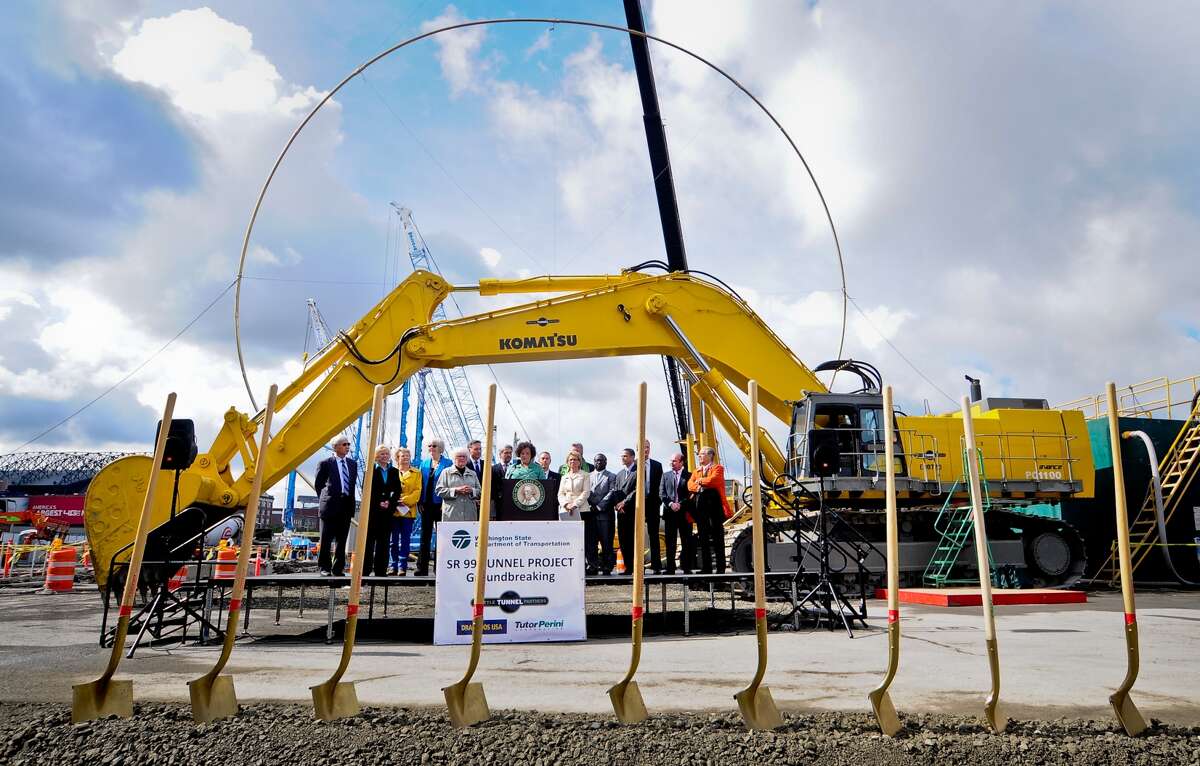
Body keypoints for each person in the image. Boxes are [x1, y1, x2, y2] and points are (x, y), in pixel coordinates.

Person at [315, 436, 357, 576]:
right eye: (344, 444)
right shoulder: (325, 463)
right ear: (335, 447)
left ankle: (338, 568)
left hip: (346, 505)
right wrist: (326, 498)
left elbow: (351, 485)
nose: (347, 446)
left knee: (342, 539)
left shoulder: (352, 464)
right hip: (330, 506)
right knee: (326, 538)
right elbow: (319, 485)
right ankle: (325, 568)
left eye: (348, 444)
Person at [688, 446, 732, 573]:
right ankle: (706, 568)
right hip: (701, 508)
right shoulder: (696, 471)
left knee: (718, 537)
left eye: (702, 454)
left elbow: (714, 480)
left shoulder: (718, 468)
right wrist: (698, 485)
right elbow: (690, 485)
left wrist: (700, 481)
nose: (699, 456)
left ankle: (720, 568)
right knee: (703, 538)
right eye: (699, 454)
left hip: (714, 508)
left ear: (710, 455)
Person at [415, 438, 452, 577]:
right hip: (426, 505)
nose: (431, 448)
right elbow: (420, 484)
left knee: (441, 538)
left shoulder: (448, 463)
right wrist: (419, 502)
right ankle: (421, 568)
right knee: (424, 537)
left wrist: (445, 502)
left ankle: (439, 569)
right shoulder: (424, 463)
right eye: (430, 446)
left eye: (434, 446)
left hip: (441, 505)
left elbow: (449, 484)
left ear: (440, 448)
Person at [364, 445, 400, 577]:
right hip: (373, 512)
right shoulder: (370, 470)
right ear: (376, 456)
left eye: (386, 454)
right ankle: (366, 570)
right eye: (381, 454)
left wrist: (389, 502)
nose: (384, 456)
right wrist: (378, 502)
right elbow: (366, 489)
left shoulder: (394, 471)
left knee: (384, 542)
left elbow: (397, 490)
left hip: (387, 512)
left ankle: (381, 571)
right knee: (369, 541)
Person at [659, 452, 695, 574]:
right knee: (670, 542)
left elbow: (691, 494)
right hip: (670, 513)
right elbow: (662, 493)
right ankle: (670, 568)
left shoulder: (689, 476)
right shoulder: (665, 476)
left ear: (681, 462)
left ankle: (686, 567)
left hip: (684, 513)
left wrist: (680, 504)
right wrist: (671, 504)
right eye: (671, 460)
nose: (671, 463)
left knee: (686, 541)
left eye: (674, 461)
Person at [389, 446, 422, 575]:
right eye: (403, 456)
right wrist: (395, 500)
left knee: (405, 540)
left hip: (408, 511)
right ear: (397, 458)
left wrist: (405, 500)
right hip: (393, 511)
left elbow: (417, 491)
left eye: (407, 456)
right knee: (393, 540)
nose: (406, 458)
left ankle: (402, 566)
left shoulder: (416, 473)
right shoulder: (392, 472)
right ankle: (393, 565)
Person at [585, 452, 617, 575]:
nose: (599, 462)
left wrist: (599, 507)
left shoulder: (611, 476)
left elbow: (612, 492)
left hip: (605, 515)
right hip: (590, 515)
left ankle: (607, 566)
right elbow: (585, 492)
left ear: (605, 462)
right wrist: (590, 506)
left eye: (601, 460)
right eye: (596, 460)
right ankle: (592, 566)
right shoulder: (588, 476)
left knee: (606, 542)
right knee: (591, 543)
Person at [436, 448, 482, 522]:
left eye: (464, 456)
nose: (462, 458)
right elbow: (439, 490)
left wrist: (472, 490)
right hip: (451, 514)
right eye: (459, 456)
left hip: (470, 515)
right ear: (454, 458)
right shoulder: (446, 472)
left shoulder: (473, 473)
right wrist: (455, 490)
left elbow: (480, 492)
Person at [613, 448, 638, 574]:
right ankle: (628, 567)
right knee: (623, 540)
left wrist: (624, 502)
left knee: (633, 540)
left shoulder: (638, 471)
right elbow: (616, 490)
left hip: (633, 511)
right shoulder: (619, 474)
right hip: (621, 512)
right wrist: (617, 505)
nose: (623, 458)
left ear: (632, 457)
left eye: (625, 456)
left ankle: (636, 567)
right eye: (622, 456)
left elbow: (637, 490)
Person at [641, 440, 665, 573]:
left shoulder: (657, 465)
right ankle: (638, 566)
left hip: (653, 504)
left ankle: (656, 565)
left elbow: (661, 485)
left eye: (648, 447)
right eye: (643, 447)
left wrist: (659, 501)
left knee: (654, 535)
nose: (646, 449)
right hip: (638, 505)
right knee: (638, 535)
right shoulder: (634, 465)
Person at [556, 451, 589, 522]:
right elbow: (560, 494)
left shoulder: (585, 475)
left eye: (575, 459)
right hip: (566, 510)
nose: (572, 461)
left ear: (579, 462)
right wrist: (566, 505)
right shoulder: (564, 477)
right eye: (570, 459)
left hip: (581, 509)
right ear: (567, 462)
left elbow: (586, 492)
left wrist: (575, 505)